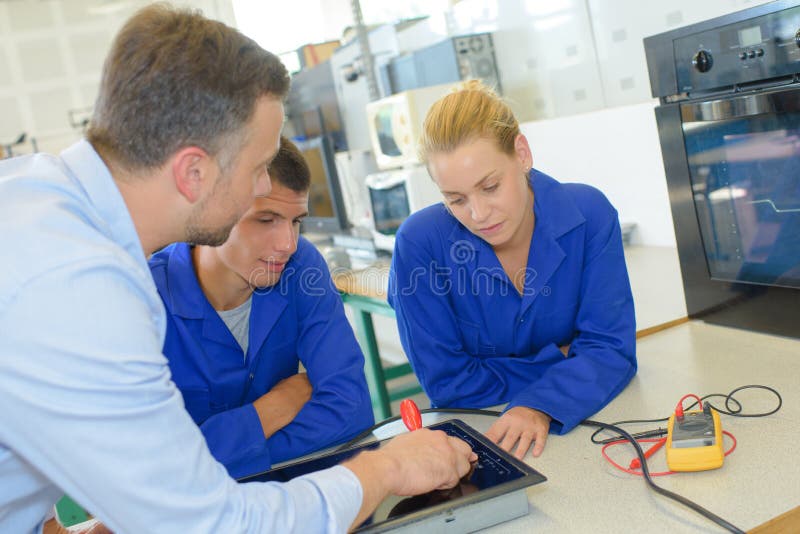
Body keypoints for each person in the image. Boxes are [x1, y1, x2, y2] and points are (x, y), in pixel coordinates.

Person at [0, 5, 475, 534]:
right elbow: (211, 524)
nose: (259, 188)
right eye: (256, 169)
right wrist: (385, 467)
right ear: (194, 171)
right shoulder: (80, 287)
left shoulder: (32, 204)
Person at [388, 80, 637, 461]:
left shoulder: (590, 215)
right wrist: (567, 357)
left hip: (576, 433)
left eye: (490, 186)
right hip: (485, 435)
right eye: (455, 199)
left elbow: (612, 351)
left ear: (521, 154)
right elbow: (449, 386)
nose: (478, 214)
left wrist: (538, 402)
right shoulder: (419, 245)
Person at [148, 137, 374, 478]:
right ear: (211, 210)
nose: (288, 244)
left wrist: (212, 457)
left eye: (296, 221)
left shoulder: (302, 267)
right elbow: (152, 466)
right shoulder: (145, 299)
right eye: (266, 220)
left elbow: (352, 411)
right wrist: (270, 410)